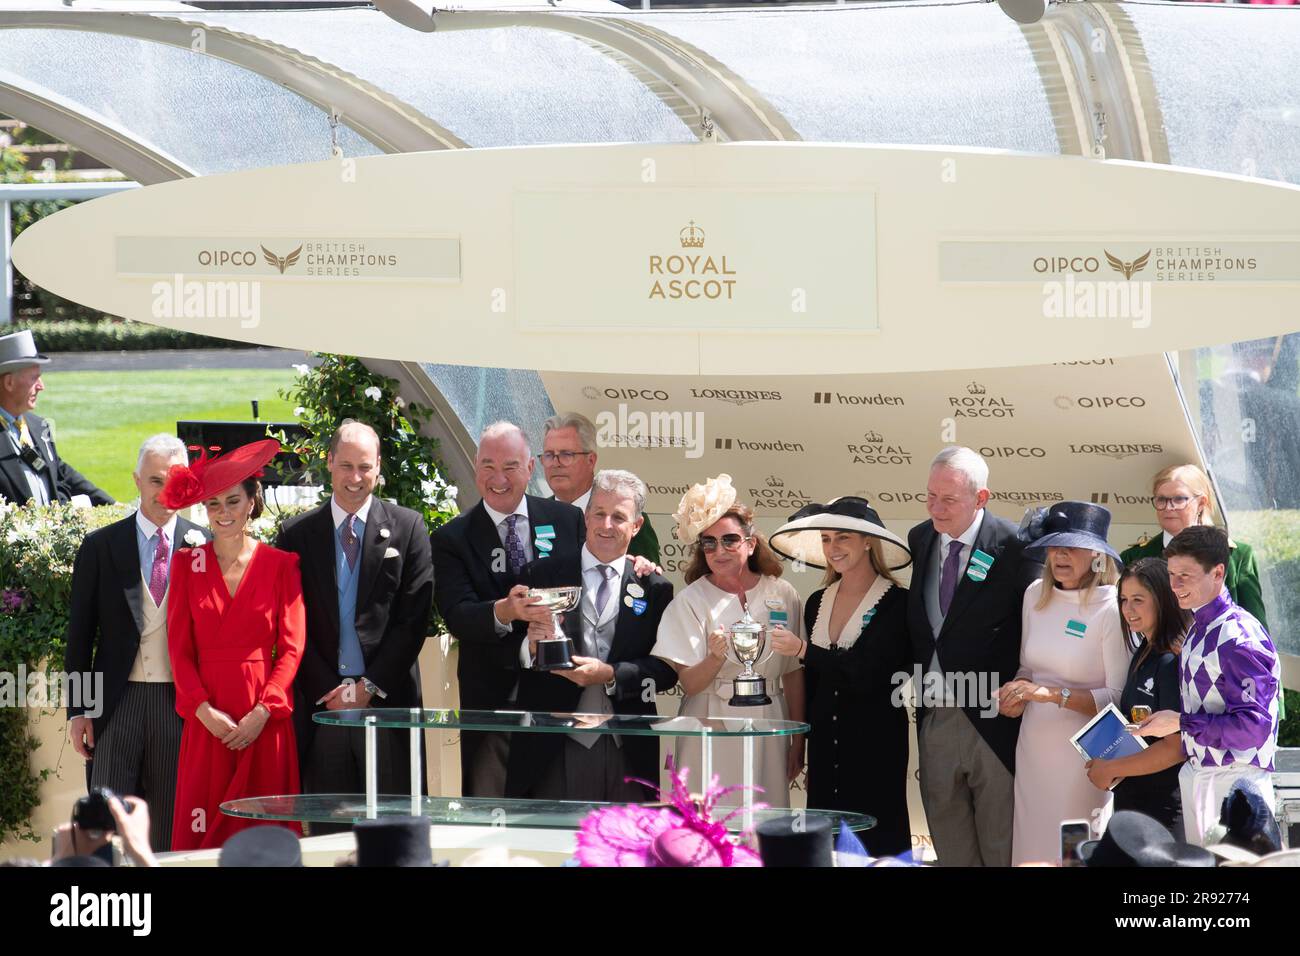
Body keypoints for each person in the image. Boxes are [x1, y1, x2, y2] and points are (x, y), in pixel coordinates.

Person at [64, 434, 210, 851]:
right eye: (154, 481)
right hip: (117, 704)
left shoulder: (205, 545)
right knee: (105, 824)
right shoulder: (100, 547)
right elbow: (79, 639)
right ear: (136, 480)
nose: (164, 493)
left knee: (171, 823)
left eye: (174, 481)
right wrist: (79, 711)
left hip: (179, 706)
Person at [276, 420, 433, 809]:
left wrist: (369, 687)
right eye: (346, 465)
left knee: (394, 828)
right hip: (321, 708)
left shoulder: (408, 527)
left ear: (379, 467)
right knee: (327, 829)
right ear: (329, 463)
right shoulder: (296, 534)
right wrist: (328, 690)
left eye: (365, 466)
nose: (355, 477)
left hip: (387, 705)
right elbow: (288, 622)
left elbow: (413, 619)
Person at [163, 439, 305, 851]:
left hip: (264, 723)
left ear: (251, 503)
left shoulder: (282, 565)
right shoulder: (187, 566)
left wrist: (265, 711)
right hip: (208, 724)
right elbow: (179, 650)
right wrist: (202, 711)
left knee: (266, 838)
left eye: (232, 502)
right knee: (202, 839)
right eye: (213, 505)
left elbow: (292, 648)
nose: (222, 513)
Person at [430, 421, 584, 797]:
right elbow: (457, 614)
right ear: (475, 466)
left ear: (530, 468)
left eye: (510, 466)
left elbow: (595, 578)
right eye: (488, 466)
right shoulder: (451, 538)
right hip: (491, 701)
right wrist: (506, 611)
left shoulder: (568, 520)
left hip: (561, 699)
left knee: (557, 817)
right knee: (491, 816)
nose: (498, 478)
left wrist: (638, 566)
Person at [905, 447, 1041, 867]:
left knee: (1001, 845)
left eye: (948, 500)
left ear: (981, 498)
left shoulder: (1018, 547)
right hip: (935, 715)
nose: (935, 508)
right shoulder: (921, 538)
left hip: (994, 719)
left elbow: (1032, 630)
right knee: (950, 844)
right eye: (929, 496)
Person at [507, 469, 678, 801]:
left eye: (619, 516)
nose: (606, 525)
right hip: (552, 744)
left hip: (627, 745)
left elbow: (667, 670)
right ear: (586, 517)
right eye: (599, 513)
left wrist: (612, 675)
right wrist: (530, 649)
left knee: (628, 849)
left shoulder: (655, 587)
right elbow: (503, 650)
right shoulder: (540, 575)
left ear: (637, 526)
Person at [768, 497, 914, 856]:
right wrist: (799, 740)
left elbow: (873, 673)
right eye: (826, 538)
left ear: (868, 541)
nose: (833, 548)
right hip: (824, 747)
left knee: (876, 841)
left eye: (843, 537)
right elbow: (811, 683)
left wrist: (804, 650)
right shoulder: (817, 601)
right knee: (827, 845)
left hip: (875, 745)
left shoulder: (899, 603)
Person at [651, 474, 806, 808]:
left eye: (729, 540)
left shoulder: (783, 593)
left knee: (766, 824)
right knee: (709, 824)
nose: (719, 550)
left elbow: (793, 673)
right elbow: (689, 683)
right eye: (709, 543)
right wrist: (715, 659)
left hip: (770, 719)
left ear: (750, 544)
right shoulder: (690, 600)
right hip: (708, 724)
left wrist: (798, 739)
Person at [1130, 526, 1281, 848]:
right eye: (1171, 574)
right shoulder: (1200, 627)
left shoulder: (1241, 638)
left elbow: (1253, 728)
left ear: (1218, 572)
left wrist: (1181, 723)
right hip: (1203, 778)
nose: (1175, 585)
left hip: (1236, 786)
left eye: (1186, 575)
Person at [998, 501, 1129, 866]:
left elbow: (1118, 701)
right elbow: (1028, 668)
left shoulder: (1112, 607)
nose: (1060, 555)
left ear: (1098, 556)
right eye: (1055, 546)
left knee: (1072, 853)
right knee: (1032, 850)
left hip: (1083, 762)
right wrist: (1017, 694)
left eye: (1072, 547)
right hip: (1033, 752)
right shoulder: (1033, 595)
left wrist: (1052, 695)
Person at [1084, 558, 1188, 838]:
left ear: (1163, 599)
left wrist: (1112, 767)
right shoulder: (1144, 649)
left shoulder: (1169, 661)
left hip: (1161, 812)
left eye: (1138, 600)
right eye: (1123, 600)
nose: (1128, 610)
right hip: (1132, 804)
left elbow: (1174, 747)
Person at [1120, 464, 1267, 628]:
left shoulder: (1237, 556)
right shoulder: (1133, 558)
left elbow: (1256, 627)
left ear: (1202, 502)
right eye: (1161, 499)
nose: (1168, 508)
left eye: (1178, 499)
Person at [0, 329, 112, 507]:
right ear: (9, 383)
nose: (41, 386)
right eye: (34, 378)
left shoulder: (39, 425)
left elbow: (59, 473)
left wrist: (111, 505)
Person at [540, 412, 660, 563]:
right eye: (549, 455)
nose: (556, 463)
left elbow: (648, 579)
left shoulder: (625, 519)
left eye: (566, 454)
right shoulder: (535, 516)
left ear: (591, 460)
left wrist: (643, 565)